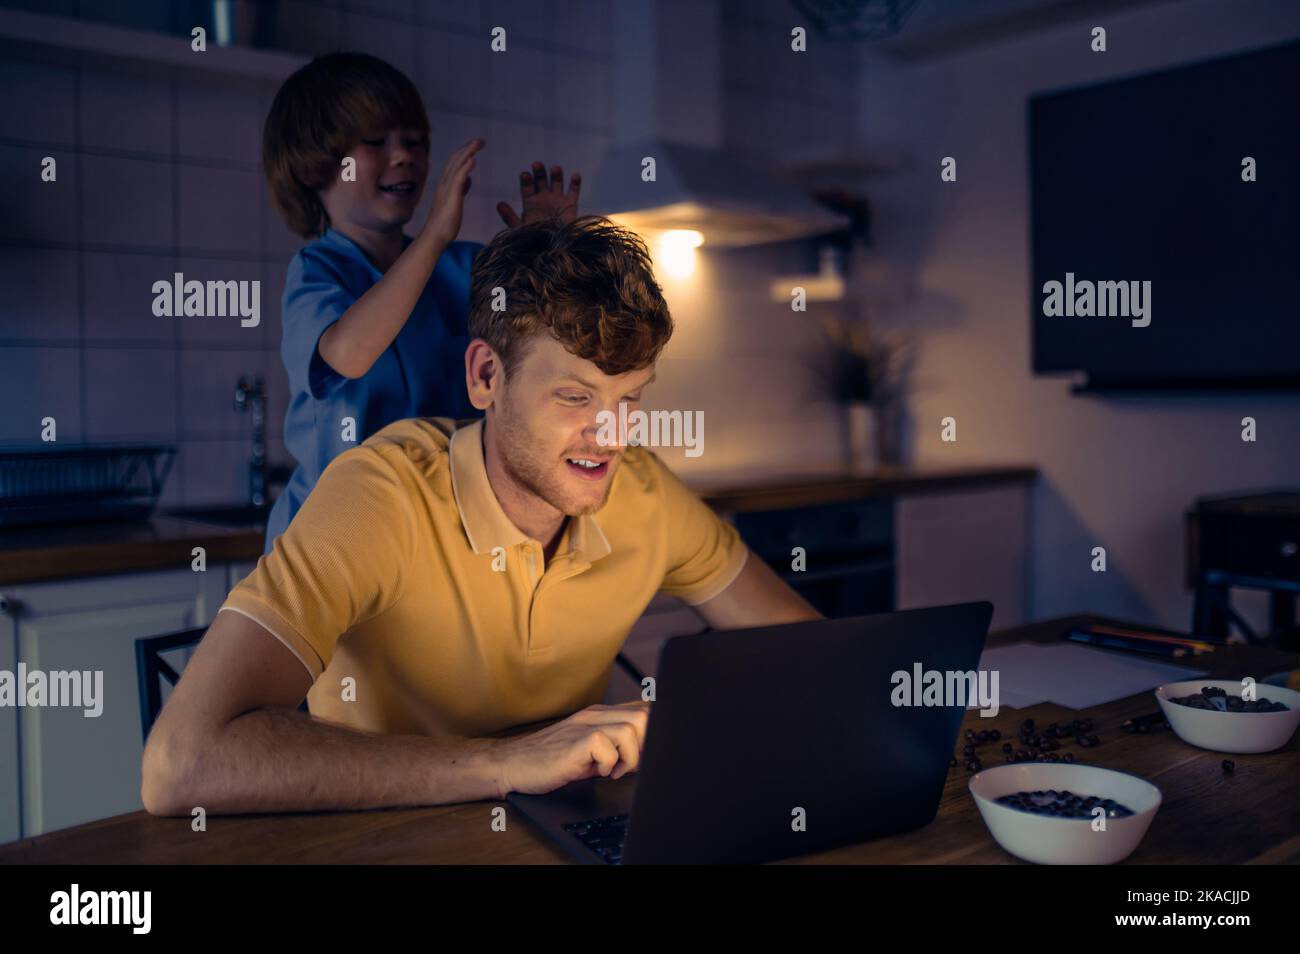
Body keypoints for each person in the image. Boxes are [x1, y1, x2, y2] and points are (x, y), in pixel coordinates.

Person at [141, 216, 820, 816]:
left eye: (630, 399)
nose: (611, 435)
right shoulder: (380, 495)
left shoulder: (646, 493)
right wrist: (506, 764)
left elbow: (814, 660)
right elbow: (181, 765)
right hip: (379, 844)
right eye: (575, 397)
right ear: (486, 378)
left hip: (559, 834)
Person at [261, 51, 579, 550]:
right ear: (311, 167)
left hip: (438, 535)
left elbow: (548, 349)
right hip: (333, 540)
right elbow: (349, 353)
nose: (404, 155)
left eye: (414, 142)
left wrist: (545, 256)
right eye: (375, 142)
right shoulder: (317, 271)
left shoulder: (465, 268)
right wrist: (432, 236)